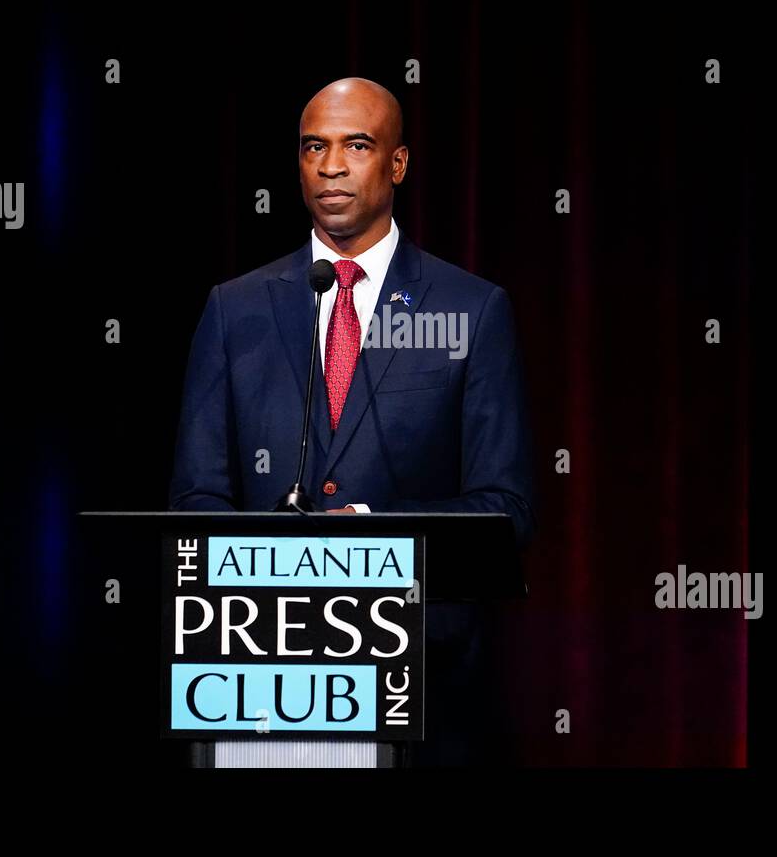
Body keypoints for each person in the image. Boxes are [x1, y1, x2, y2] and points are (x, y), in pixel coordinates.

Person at [169, 77, 535, 764]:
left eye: (356, 145)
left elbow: (506, 511)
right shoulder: (233, 308)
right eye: (314, 147)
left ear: (397, 163)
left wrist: (371, 534)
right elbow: (196, 500)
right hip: (263, 681)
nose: (330, 166)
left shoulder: (474, 309)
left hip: (419, 687)